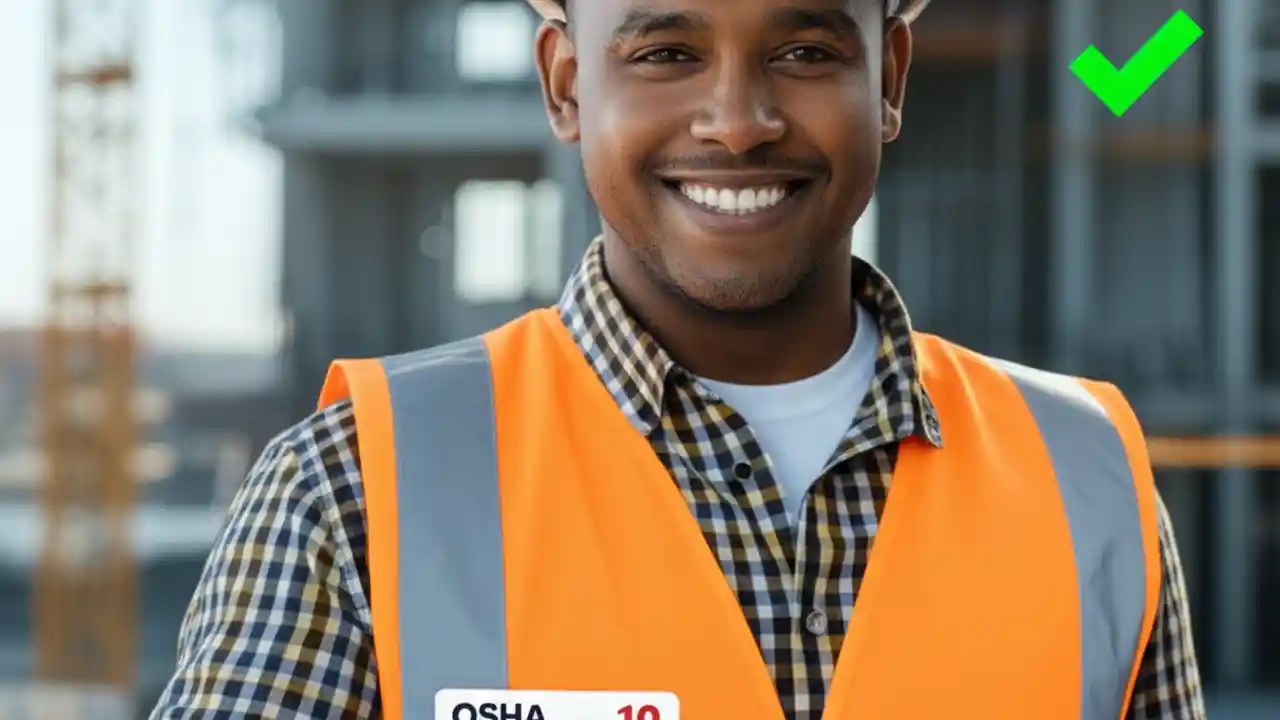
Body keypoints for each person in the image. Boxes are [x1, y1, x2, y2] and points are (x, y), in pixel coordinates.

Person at [152, 0, 1207, 718]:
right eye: (665, 53)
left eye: (804, 52)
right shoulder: (352, 493)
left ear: (885, 76)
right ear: (565, 85)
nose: (738, 123)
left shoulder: (1085, 483)